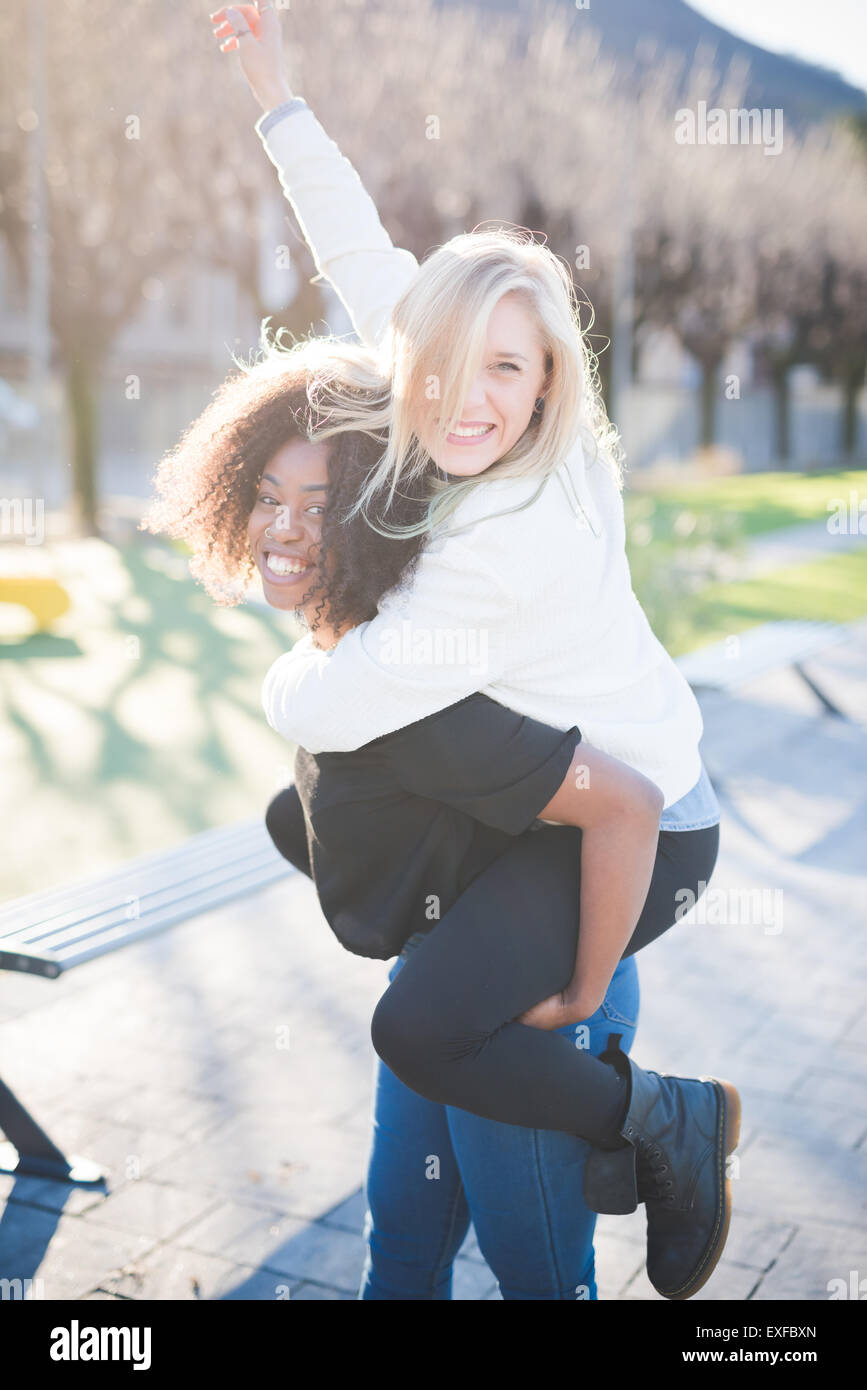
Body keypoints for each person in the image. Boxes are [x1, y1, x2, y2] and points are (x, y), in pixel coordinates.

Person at [200, 4, 739, 1299]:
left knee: (428, 1031)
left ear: (550, 384)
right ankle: (599, 1104)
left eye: (510, 371)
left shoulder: (506, 542)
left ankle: (661, 1118)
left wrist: (273, 667)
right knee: (409, 1215)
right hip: (537, 808)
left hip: (641, 829)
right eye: (447, 363)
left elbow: (340, 701)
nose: (467, 398)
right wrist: (279, 97)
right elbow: (361, 249)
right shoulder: (447, 384)